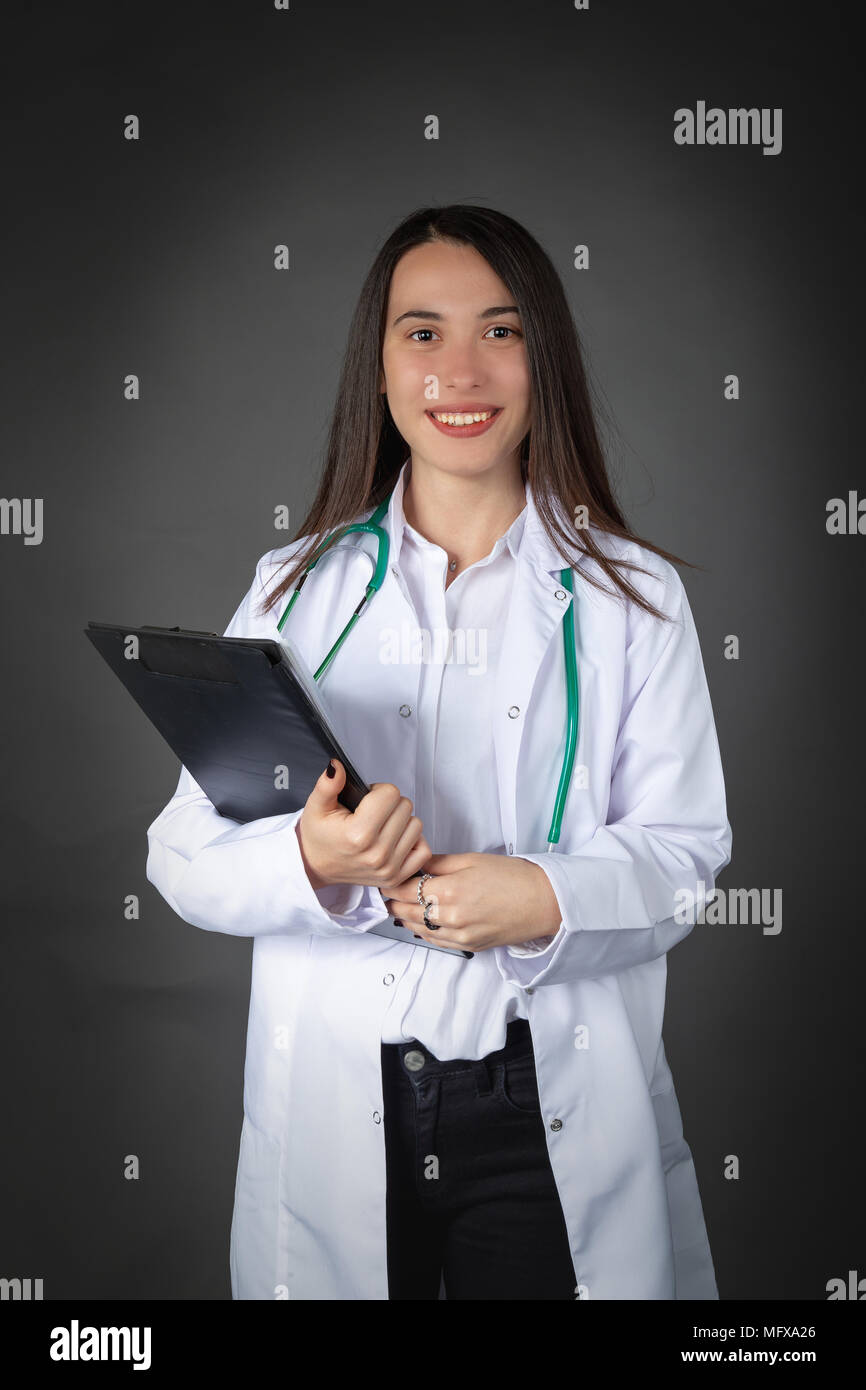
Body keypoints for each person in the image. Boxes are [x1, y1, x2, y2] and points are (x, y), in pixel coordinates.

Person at [146, 203, 732, 1300]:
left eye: (499, 332)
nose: (459, 370)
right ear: (377, 366)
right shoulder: (291, 589)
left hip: (543, 1110)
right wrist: (315, 863)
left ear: (540, 359)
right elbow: (178, 857)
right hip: (343, 1112)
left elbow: (683, 859)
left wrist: (543, 897)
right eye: (422, 333)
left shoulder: (632, 597)